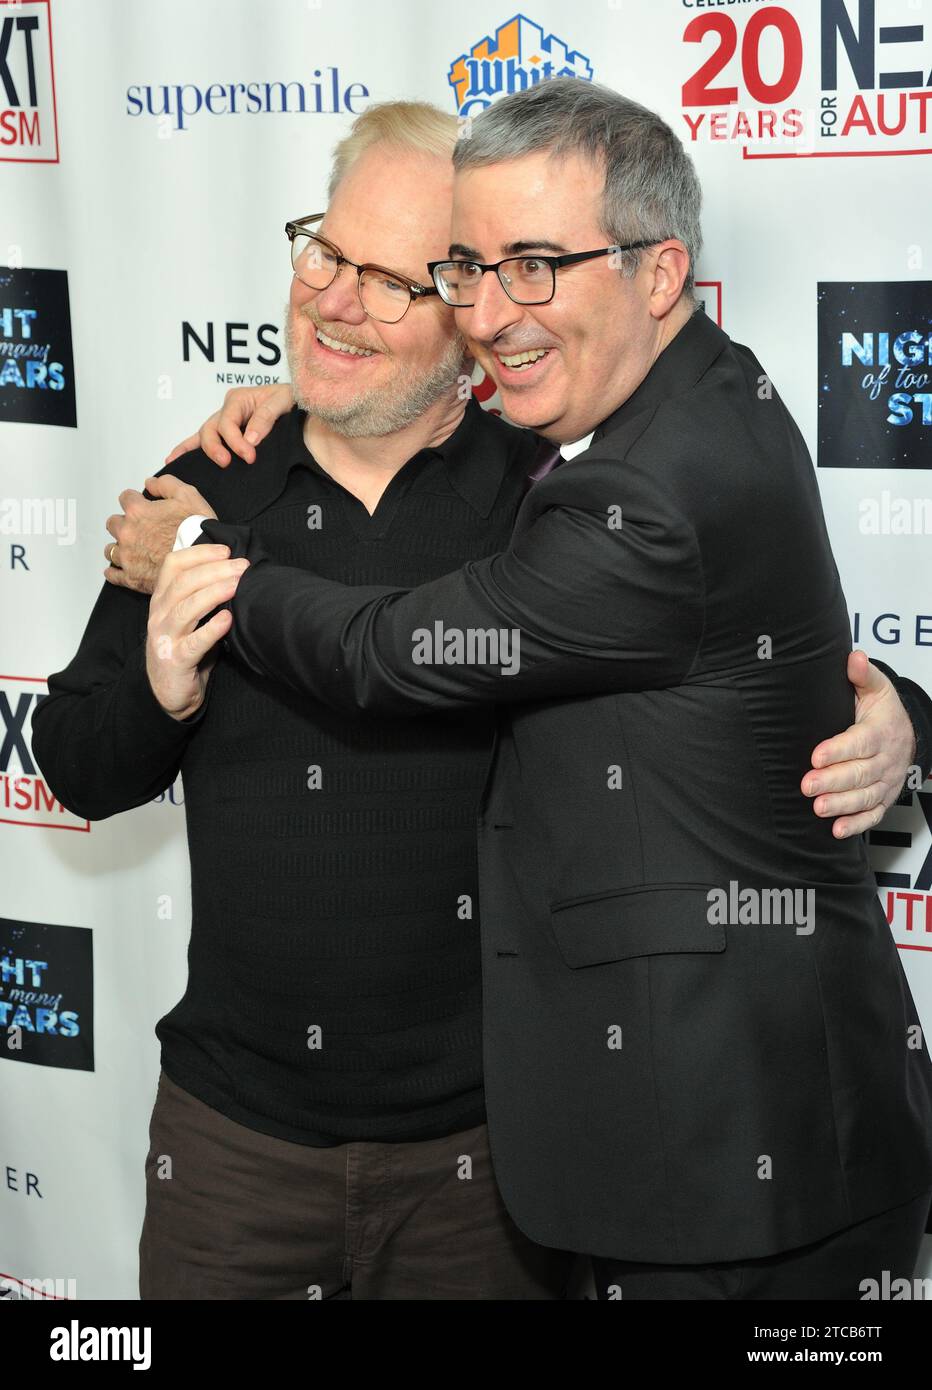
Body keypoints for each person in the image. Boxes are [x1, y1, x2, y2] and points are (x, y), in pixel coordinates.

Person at [106, 80, 932, 1300]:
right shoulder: (706, 388)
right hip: (657, 1141)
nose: (491, 312)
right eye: (467, 269)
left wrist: (200, 557)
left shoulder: (628, 486)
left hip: (726, 1168)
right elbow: (742, 636)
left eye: (534, 265)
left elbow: (389, 650)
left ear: (659, 276)